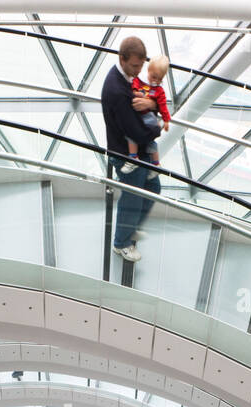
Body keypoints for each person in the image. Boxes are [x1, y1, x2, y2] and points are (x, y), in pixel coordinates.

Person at [102, 35, 162, 263]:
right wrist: (156, 128)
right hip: (126, 154)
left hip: (137, 151)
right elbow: (136, 132)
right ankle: (121, 244)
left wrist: (152, 104)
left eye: (141, 66)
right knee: (132, 198)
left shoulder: (125, 77)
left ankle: (130, 229)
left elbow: (142, 104)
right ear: (123, 59)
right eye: (135, 66)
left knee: (152, 188)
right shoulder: (117, 90)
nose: (139, 71)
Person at [122, 55, 171, 180]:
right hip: (138, 116)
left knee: (147, 138)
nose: (155, 81)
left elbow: (163, 106)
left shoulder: (159, 90)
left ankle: (150, 163)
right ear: (148, 71)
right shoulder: (140, 81)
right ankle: (138, 159)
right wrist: (135, 92)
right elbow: (133, 85)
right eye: (154, 77)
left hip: (148, 117)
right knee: (136, 136)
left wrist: (166, 120)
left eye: (159, 79)